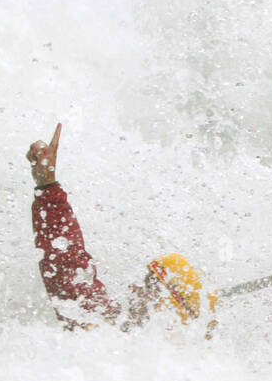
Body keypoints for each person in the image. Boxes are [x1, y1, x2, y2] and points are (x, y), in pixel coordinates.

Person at [25, 124, 216, 331]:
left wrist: (47, 188)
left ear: (167, 307)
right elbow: (70, 266)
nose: (134, 288)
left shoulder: (109, 344)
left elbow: (65, 272)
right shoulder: (116, 332)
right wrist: (48, 189)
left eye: (149, 286)